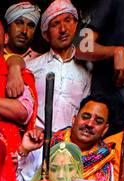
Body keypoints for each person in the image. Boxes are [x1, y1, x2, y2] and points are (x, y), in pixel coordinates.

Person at [17, 95, 122, 181]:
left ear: (105, 130)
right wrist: (24, 150)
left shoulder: (104, 164)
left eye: (98, 121)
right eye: (85, 117)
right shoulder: (49, 146)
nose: (90, 124)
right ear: (74, 119)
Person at [27, 2, 92, 131]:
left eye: (67, 20)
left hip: (68, 145)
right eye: (55, 24)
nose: (63, 29)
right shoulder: (32, 67)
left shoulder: (87, 70)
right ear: (46, 35)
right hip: (35, 143)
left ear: (75, 25)